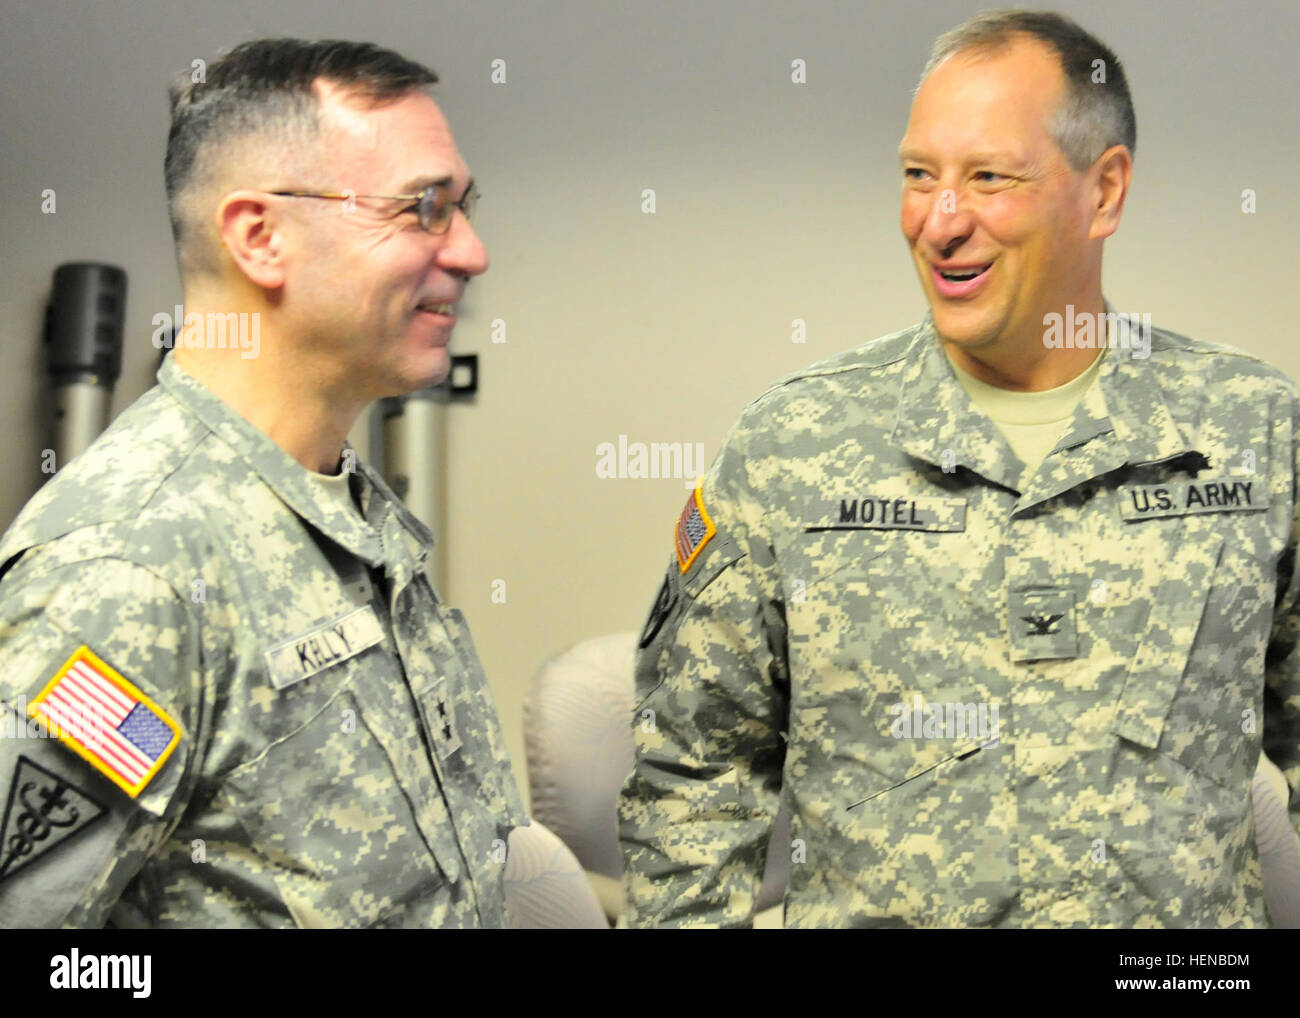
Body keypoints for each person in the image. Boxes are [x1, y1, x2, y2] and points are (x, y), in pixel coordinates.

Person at [619, 9, 1299, 928]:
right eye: (917, 177)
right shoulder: (796, 443)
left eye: (988, 177)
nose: (939, 221)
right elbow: (692, 783)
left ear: (1104, 192)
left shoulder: (1250, 430)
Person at [0, 38, 527, 927]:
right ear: (260, 236)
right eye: (425, 209)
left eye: (463, 207)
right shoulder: (128, 564)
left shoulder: (346, 505)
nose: (471, 253)